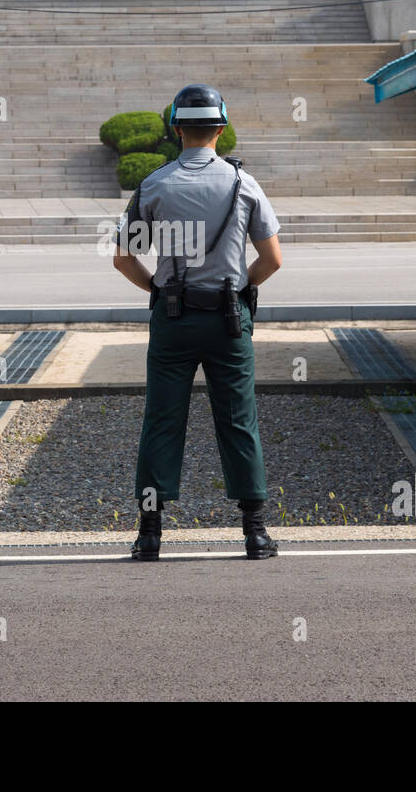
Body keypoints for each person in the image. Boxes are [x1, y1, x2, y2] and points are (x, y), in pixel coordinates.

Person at [113, 84, 283, 560]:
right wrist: (240, 288)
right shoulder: (243, 184)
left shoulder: (154, 184)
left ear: (175, 128)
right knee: (238, 421)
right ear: (222, 127)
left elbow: (124, 259)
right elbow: (271, 259)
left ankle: (149, 535)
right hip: (229, 320)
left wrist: (159, 290)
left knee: (162, 421)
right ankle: (255, 532)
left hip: (173, 319)